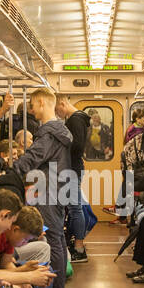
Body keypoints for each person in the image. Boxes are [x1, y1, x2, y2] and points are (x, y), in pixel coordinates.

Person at [12, 89, 73, 288]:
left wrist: (12, 171)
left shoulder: (48, 133)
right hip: (57, 186)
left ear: (40, 102)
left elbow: (35, 156)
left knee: (52, 237)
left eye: (32, 105)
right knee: (56, 237)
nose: (30, 109)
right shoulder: (59, 130)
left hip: (48, 189)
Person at [56, 97, 91, 263]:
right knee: (73, 208)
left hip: (71, 169)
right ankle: (76, 244)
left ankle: (79, 248)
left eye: (57, 110)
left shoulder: (76, 120)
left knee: (75, 208)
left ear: (62, 103)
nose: (57, 114)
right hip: (72, 168)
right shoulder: (76, 119)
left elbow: (77, 147)